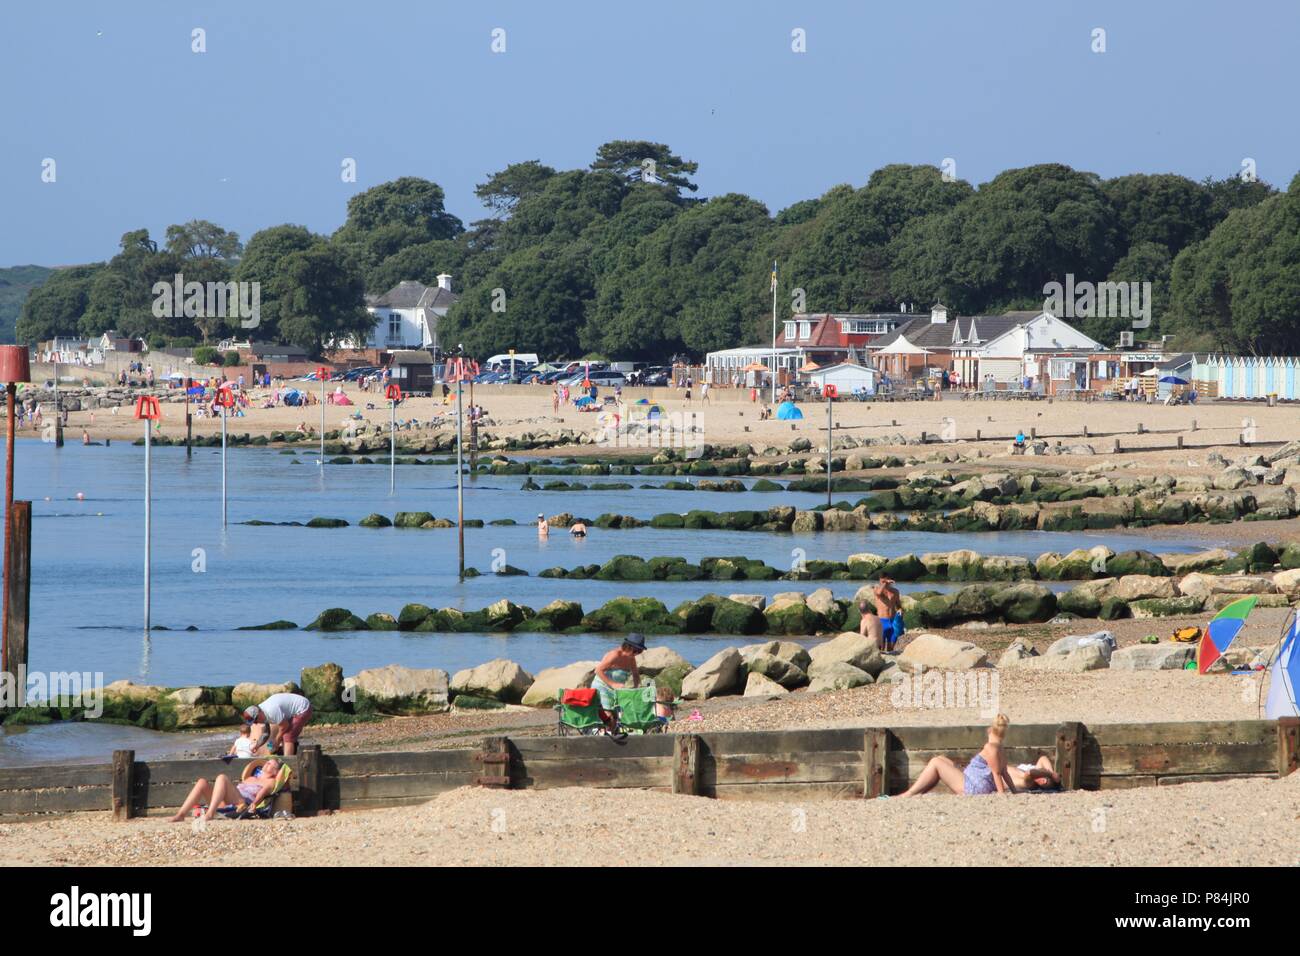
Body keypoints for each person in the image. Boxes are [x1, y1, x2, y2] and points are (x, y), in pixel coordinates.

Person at [900, 714, 1015, 797]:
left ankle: (908, 794)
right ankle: (914, 793)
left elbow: (997, 773)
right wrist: (1015, 791)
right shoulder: (1000, 748)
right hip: (976, 782)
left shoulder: (990, 748)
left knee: (936, 762)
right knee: (941, 759)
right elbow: (1005, 773)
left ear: (990, 730)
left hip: (974, 788)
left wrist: (1001, 794)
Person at [169, 757, 282, 822]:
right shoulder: (251, 777)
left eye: (270, 763)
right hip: (226, 801)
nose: (266, 763)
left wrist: (255, 803)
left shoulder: (271, 781)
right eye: (267, 761)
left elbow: (262, 793)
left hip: (242, 803)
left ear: (275, 771)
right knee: (202, 782)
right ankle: (181, 814)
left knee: (222, 777)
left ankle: (210, 814)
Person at [242, 692, 313, 756]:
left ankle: (288, 764)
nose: (256, 723)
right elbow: (266, 734)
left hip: (303, 708)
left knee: (287, 736)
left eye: (255, 721)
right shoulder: (263, 713)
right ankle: (290, 755)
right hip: (293, 710)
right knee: (284, 735)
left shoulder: (271, 710)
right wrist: (257, 745)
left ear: (259, 714)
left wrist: (277, 740)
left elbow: (285, 726)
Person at [592, 634, 646, 712]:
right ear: (628, 646)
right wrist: (613, 684)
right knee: (608, 714)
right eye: (635, 651)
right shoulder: (615, 655)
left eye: (639, 651)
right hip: (602, 687)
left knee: (618, 714)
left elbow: (635, 674)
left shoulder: (631, 658)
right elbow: (598, 670)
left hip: (616, 691)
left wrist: (636, 689)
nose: (636, 653)